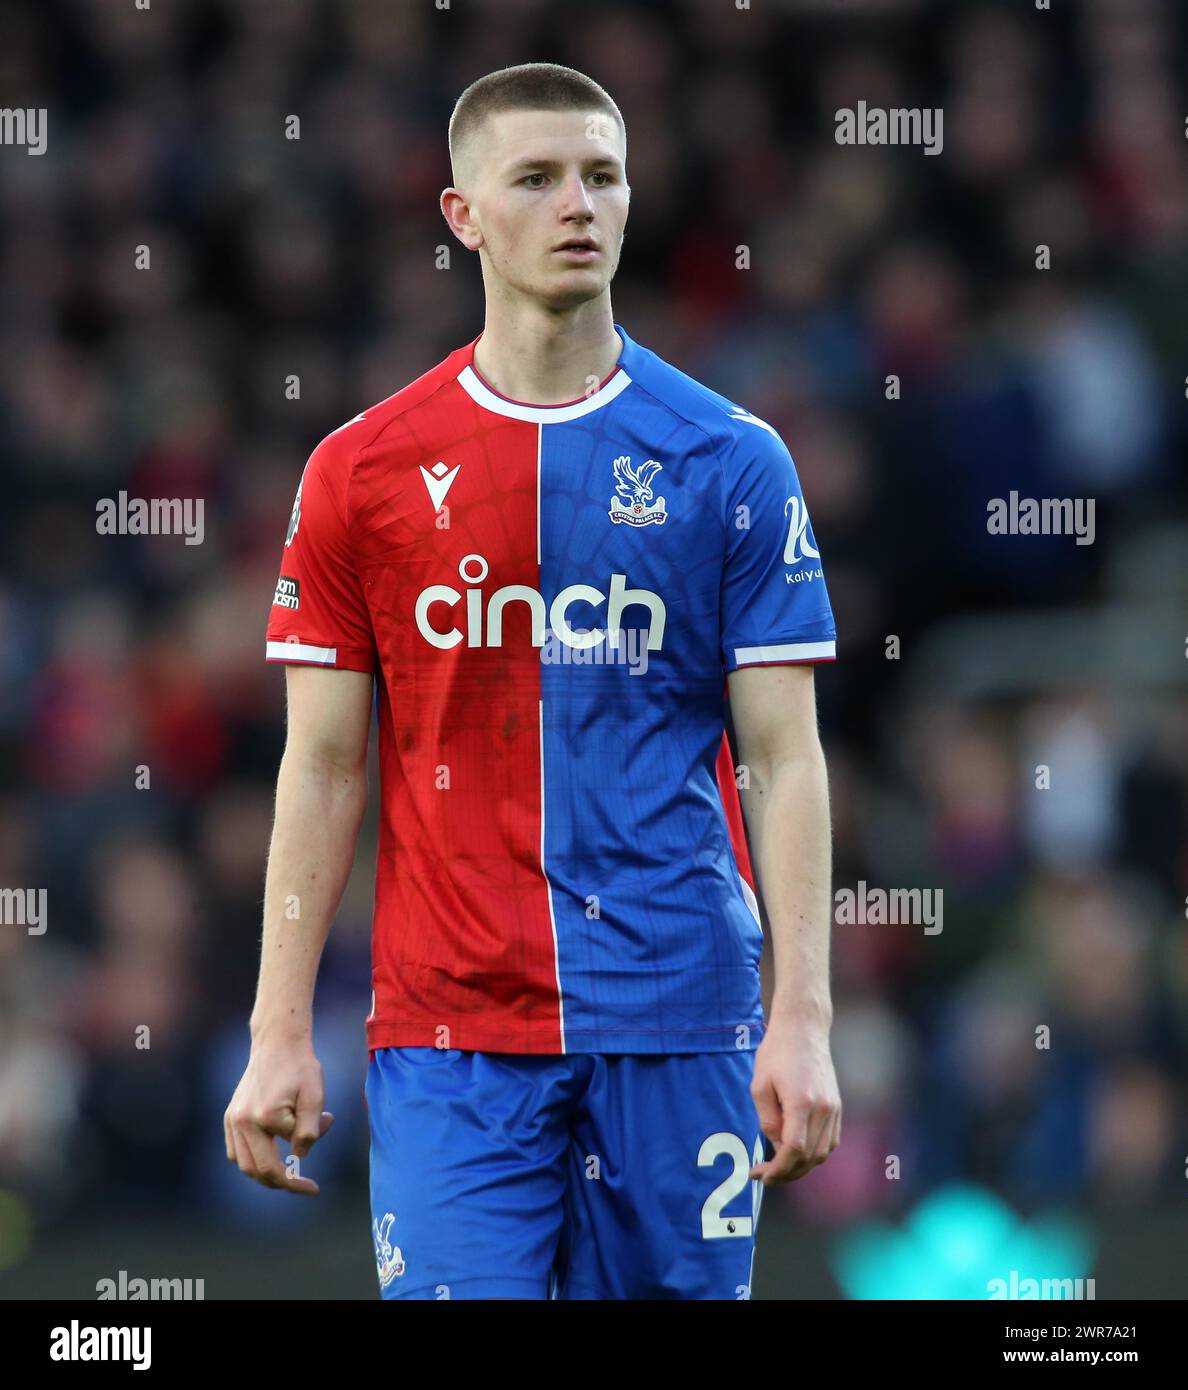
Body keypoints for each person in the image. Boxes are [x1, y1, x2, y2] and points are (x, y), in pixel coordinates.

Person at [225, 60, 841, 1300]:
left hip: (680, 1011)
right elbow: (325, 763)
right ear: (464, 216)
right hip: (450, 1030)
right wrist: (278, 1024)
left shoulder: (733, 460)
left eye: (604, 177)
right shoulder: (362, 472)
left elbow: (784, 759)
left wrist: (806, 1014)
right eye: (540, 178)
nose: (581, 205)